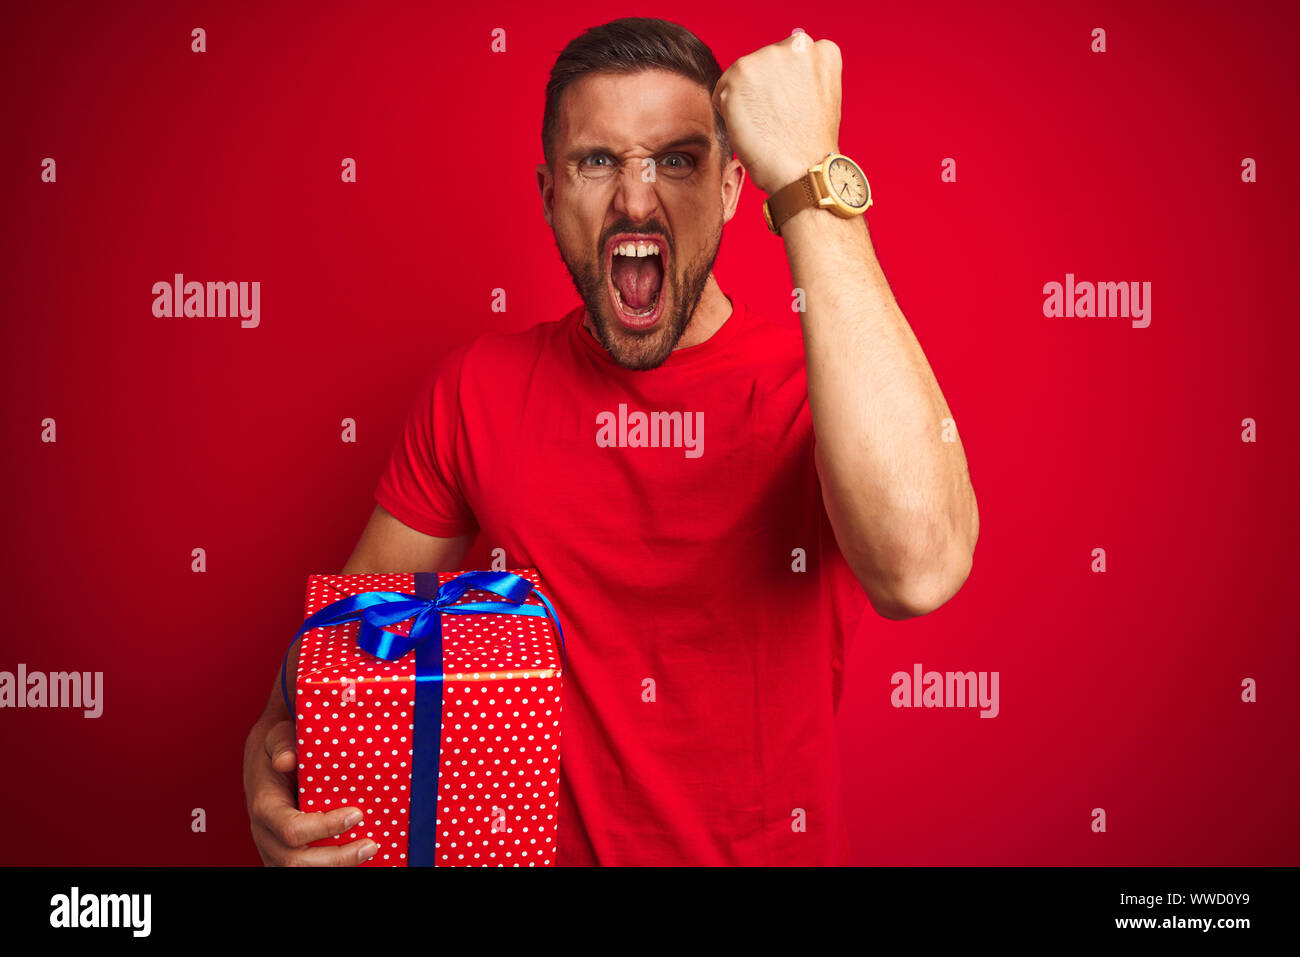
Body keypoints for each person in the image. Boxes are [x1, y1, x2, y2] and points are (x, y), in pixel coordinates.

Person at [243, 17, 978, 866]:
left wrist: (812, 179)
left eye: (678, 159)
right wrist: (260, 758)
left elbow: (920, 568)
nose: (635, 198)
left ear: (738, 187)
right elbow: (340, 647)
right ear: (551, 194)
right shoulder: (476, 390)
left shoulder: (822, 389)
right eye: (597, 162)